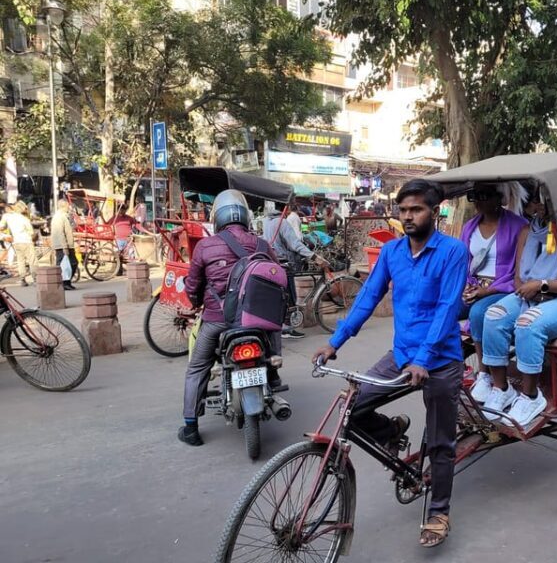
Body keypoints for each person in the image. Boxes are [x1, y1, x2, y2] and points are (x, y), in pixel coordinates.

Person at [313, 179, 467, 548]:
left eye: (416, 209)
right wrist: (335, 342)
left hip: (440, 360)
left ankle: (439, 512)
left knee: (441, 443)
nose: (408, 216)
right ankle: (390, 432)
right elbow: (367, 298)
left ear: (435, 213)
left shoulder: (453, 252)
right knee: (354, 406)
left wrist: (424, 360)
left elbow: (447, 310)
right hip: (400, 356)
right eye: (403, 210)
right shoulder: (393, 252)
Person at [480, 189, 557, 427]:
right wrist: (528, 290)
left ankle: (530, 396)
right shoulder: (528, 229)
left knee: (528, 323)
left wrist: (542, 286)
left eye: (545, 200)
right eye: (536, 200)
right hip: (530, 293)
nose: (539, 206)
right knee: (493, 315)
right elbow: (517, 276)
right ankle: (501, 387)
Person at [180, 189, 281, 447]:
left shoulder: (205, 246)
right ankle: (273, 373)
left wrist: (196, 303)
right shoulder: (262, 245)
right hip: (257, 322)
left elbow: (192, 286)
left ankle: (191, 427)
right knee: (273, 338)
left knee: (197, 367)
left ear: (218, 218)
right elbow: (276, 277)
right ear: (246, 218)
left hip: (217, 321)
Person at [460, 183, 527, 402]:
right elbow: (464, 262)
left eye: (485, 195)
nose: (479, 201)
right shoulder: (469, 226)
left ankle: (484, 374)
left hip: (504, 288)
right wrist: (465, 288)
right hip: (473, 286)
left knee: (479, 313)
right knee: (442, 306)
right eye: (474, 196)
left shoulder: (519, 226)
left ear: (500, 199)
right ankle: (447, 363)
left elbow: (521, 270)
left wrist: (487, 291)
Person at [263, 206, 329, 340]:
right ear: (284, 209)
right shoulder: (282, 222)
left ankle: (282, 325)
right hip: (284, 262)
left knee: (282, 294)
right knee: (290, 294)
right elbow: (295, 244)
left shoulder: (267, 221)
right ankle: (287, 327)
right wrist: (314, 257)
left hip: (272, 260)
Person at [0, 201, 37, 287]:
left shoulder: (8, 217)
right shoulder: (24, 219)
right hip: (26, 241)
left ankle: (22, 280)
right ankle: (35, 279)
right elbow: (31, 232)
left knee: (21, 261)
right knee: (32, 260)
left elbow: (1, 226)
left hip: (16, 242)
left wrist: (4, 236)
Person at [50, 199, 78, 290]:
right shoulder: (58, 217)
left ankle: (67, 282)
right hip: (62, 245)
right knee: (65, 264)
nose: (69, 207)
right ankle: (63, 283)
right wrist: (64, 246)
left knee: (72, 264)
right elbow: (60, 233)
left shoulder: (64, 216)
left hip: (68, 244)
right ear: (64, 206)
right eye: (67, 206)